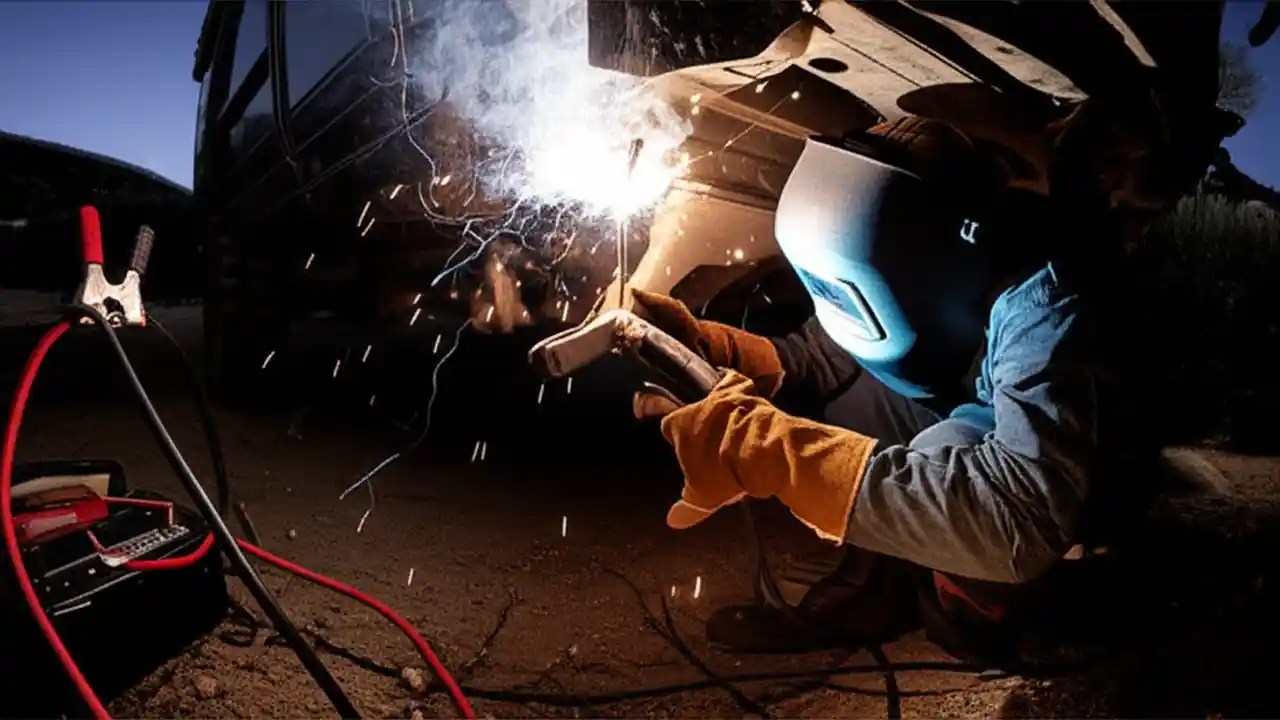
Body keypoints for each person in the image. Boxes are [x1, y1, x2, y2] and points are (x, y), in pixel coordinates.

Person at [628, 114, 1161, 665]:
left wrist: (777, 455)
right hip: (983, 403)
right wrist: (714, 347)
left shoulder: (1044, 302)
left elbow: (1021, 514)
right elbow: (830, 350)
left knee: (948, 461)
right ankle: (871, 594)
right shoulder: (918, 257)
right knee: (863, 392)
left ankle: (1002, 612)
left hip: (1071, 481)